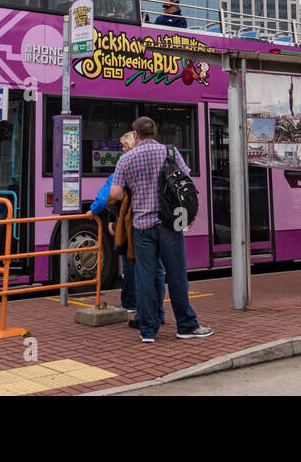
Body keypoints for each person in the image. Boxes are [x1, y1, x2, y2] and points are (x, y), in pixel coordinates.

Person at [108, 116, 212, 342]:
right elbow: (187, 184)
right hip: (170, 223)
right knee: (176, 276)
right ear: (154, 132)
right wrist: (190, 214)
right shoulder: (170, 152)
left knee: (145, 277)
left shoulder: (127, 159)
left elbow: (115, 193)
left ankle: (147, 330)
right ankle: (185, 325)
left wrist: (131, 190)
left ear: (135, 135)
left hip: (141, 226)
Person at [88, 132, 165, 328]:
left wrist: (95, 211)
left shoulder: (127, 163)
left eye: (124, 146)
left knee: (137, 266)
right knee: (156, 269)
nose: (121, 150)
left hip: (136, 224)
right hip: (159, 223)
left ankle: (139, 311)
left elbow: (111, 193)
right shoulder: (156, 160)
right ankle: (157, 313)